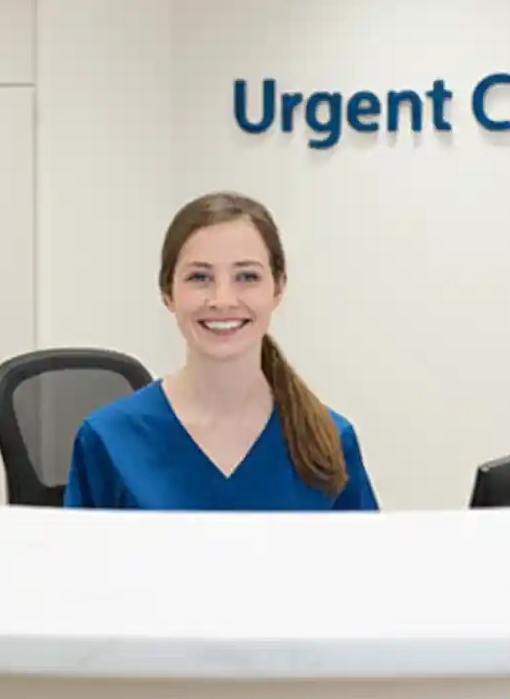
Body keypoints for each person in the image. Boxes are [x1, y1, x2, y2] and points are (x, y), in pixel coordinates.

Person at [63, 191, 379, 511]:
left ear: (278, 287)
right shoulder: (108, 440)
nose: (222, 299)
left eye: (247, 277)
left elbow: (368, 560)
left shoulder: (331, 442)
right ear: (167, 292)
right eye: (200, 277)